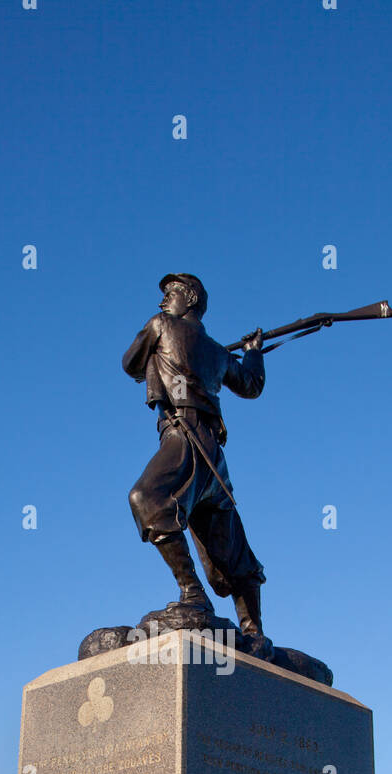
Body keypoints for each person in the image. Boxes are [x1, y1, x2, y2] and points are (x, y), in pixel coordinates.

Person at [123, 274, 271, 654]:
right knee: (226, 534)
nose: (161, 303)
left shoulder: (160, 326)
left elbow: (131, 364)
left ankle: (193, 593)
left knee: (147, 497)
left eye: (169, 294)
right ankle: (253, 632)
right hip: (211, 449)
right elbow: (251, 385)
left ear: (188, 299)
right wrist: (253, 352)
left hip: (183, 436)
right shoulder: (219, 352)